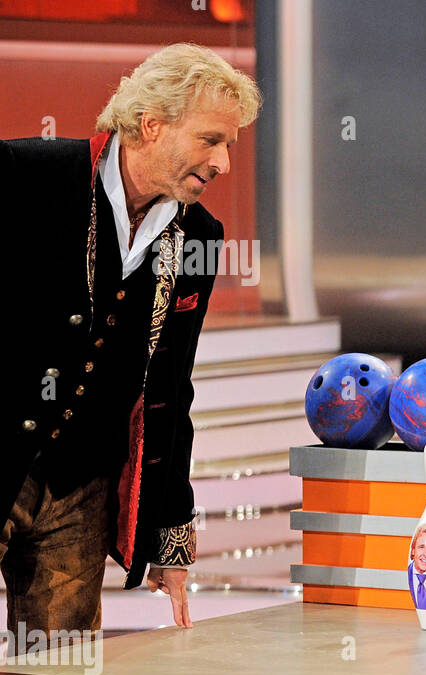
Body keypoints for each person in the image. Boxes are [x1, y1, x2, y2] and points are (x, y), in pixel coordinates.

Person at [0, 44, 261, 635]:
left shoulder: (200, 235)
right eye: (210, 139)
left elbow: (174, 388)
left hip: (80, 489)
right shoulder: (26, 173)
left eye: (229, 145)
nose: (222, 161)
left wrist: (172, 533)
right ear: (151, 125)